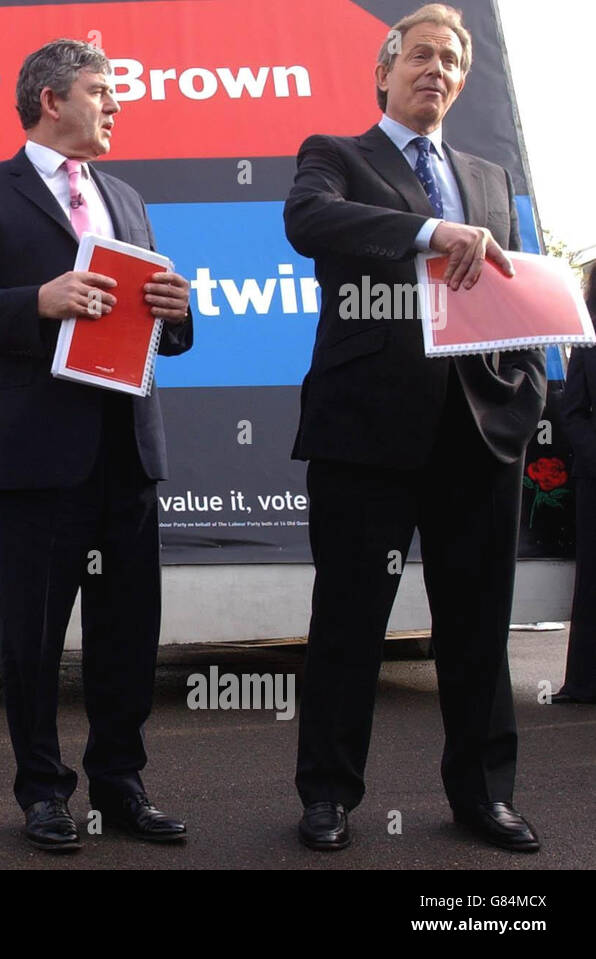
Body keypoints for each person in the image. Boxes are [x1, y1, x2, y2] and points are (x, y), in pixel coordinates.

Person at [283, 3, 546, 852]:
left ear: (462, 83)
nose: (437, 69)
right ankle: (328, 796)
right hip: (366, 433)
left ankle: (484, 796)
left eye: (452, 61)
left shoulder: (489, 176)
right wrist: (431, 231)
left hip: (481, 436)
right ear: (384, 72)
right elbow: (309, 222)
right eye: (421, 55)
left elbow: (516, 293)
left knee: (478, 627)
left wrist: (527, 392)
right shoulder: (336, 156)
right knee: (349, 623)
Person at [0, 38, 194, 851]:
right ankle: (43, 792)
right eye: (101, 90)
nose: (115, 105)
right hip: (37, 456)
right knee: (35, 639)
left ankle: (121, 783)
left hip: (128, 452)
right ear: (51, 100)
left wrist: (178, 309)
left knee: (128, 633)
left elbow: (163, 330)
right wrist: (37, 301)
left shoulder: (127, 197)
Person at [555, 277, 596, 704]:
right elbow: (573, 411)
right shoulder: (588, 338)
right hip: (594, 477)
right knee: (591, 585)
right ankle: (584, 682)